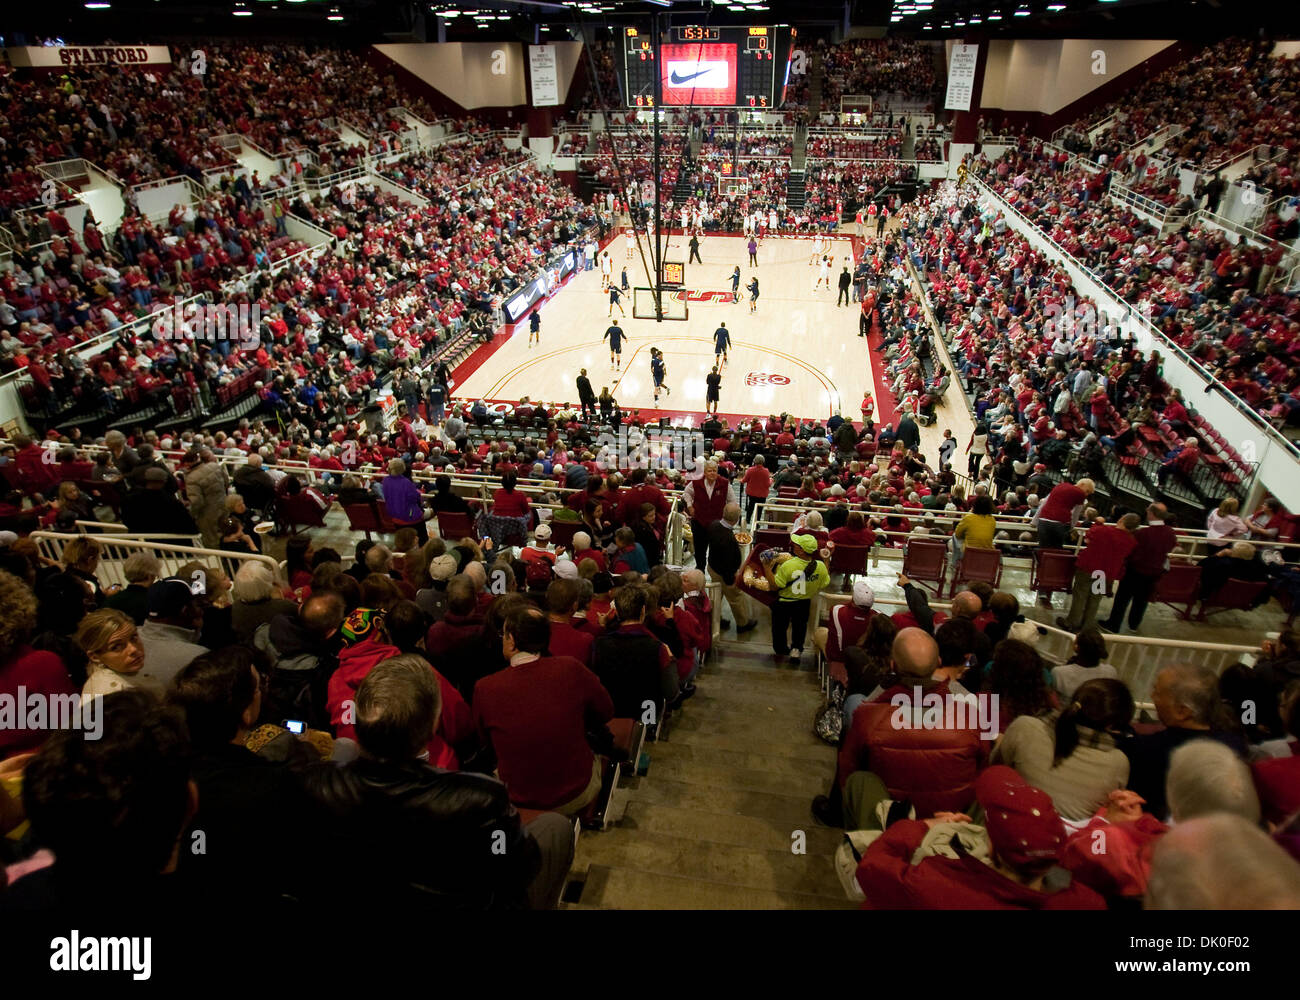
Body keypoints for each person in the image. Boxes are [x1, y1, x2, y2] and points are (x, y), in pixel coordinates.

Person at [307, 655, 574, 909]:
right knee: (556, 827)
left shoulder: (316, 784)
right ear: (434, 722)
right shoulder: (484, 798)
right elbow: (508, 862)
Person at [854, 765, 1105, 910]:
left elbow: (871, 865)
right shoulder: (1087, 904)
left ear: (992, 847)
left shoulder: (933, 885)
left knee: (861, 782)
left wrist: (923, 825)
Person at [473, 605, 615, 814]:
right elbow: (606, 711)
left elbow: (484, 740)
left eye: (503, 635)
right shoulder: (571, 668)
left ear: (511, 640)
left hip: (520, 797)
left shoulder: (484, 687)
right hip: (572, 791)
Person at [991, 678, 1133, 821]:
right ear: (1111, 726)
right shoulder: (1117, 763)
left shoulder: (1025, 727)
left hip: (1004, 825)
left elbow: (994, 769)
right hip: (1066, 842)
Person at [1121, 663, 1247, 820]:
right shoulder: (1235, 744)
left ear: (1182, 711)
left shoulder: (1145, 750)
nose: (1152, 696)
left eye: (1157, 693)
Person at [1102, 503, 1178, 634]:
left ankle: (1114, 624)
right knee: (1141, 600)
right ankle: (1133, 625)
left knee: (1122, 598)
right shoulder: (1170, 533)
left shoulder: (1142, 533)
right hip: (1154, 572)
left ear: (1151, 514)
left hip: (1134, 570)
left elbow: (1131, 551)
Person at [1058, 512, 1139, 632]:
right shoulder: (1131, 541)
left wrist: (1097, 522)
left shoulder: (1103, 530)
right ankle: (1087, 625)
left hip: (1088, 568)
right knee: (1095, 597)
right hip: (1105, 573)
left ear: (1121, 520)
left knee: (1080, 595)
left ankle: (1072, 622)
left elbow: (1089, 537)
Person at [761, 533, 830, 663]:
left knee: (779, 628)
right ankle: (796, 650)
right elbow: (825, 581)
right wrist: (826, 559)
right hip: (804, 602)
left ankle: (780, 650)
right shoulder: (820, 567)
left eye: (797, 545)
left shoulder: (788, 566)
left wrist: (766, 568)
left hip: (784, 603)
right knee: (800, 627)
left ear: (802, 550)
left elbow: (775, 586)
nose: (793, 545)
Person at [684, 460, 735, 575]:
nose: (713, 473)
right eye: (710, 471)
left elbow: (732, 501)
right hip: (699, 522)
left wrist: (729, 515)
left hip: (717, 524)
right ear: (704, 472)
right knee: (699, 549)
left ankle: (714, 572)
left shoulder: (725, 483)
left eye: (715, 471)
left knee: (716, 549)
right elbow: (686, 493)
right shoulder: (696, 482)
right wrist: (689, 506)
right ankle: (700, 571)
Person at [381, 458, 431, 545]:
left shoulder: (385, 481)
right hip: (411, 518)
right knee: (423, 539)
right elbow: (416, 498)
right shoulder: (406, 482)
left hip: (395, 517)